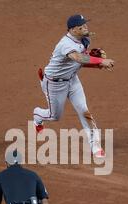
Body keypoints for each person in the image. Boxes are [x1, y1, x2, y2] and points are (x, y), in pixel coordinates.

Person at [33, 14, 115, 158]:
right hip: (54, 83)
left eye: (85, 25)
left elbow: (78, 63)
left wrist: (97, 65)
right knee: (54, 116)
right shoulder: (65, 44)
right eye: (81, 27)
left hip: (72, 80)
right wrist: (100, 60)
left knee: (84, 111)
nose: (85, 28)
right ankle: (38, 115)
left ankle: (95, 146)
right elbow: (77, 57)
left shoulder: (85, 40)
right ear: (72, 30)